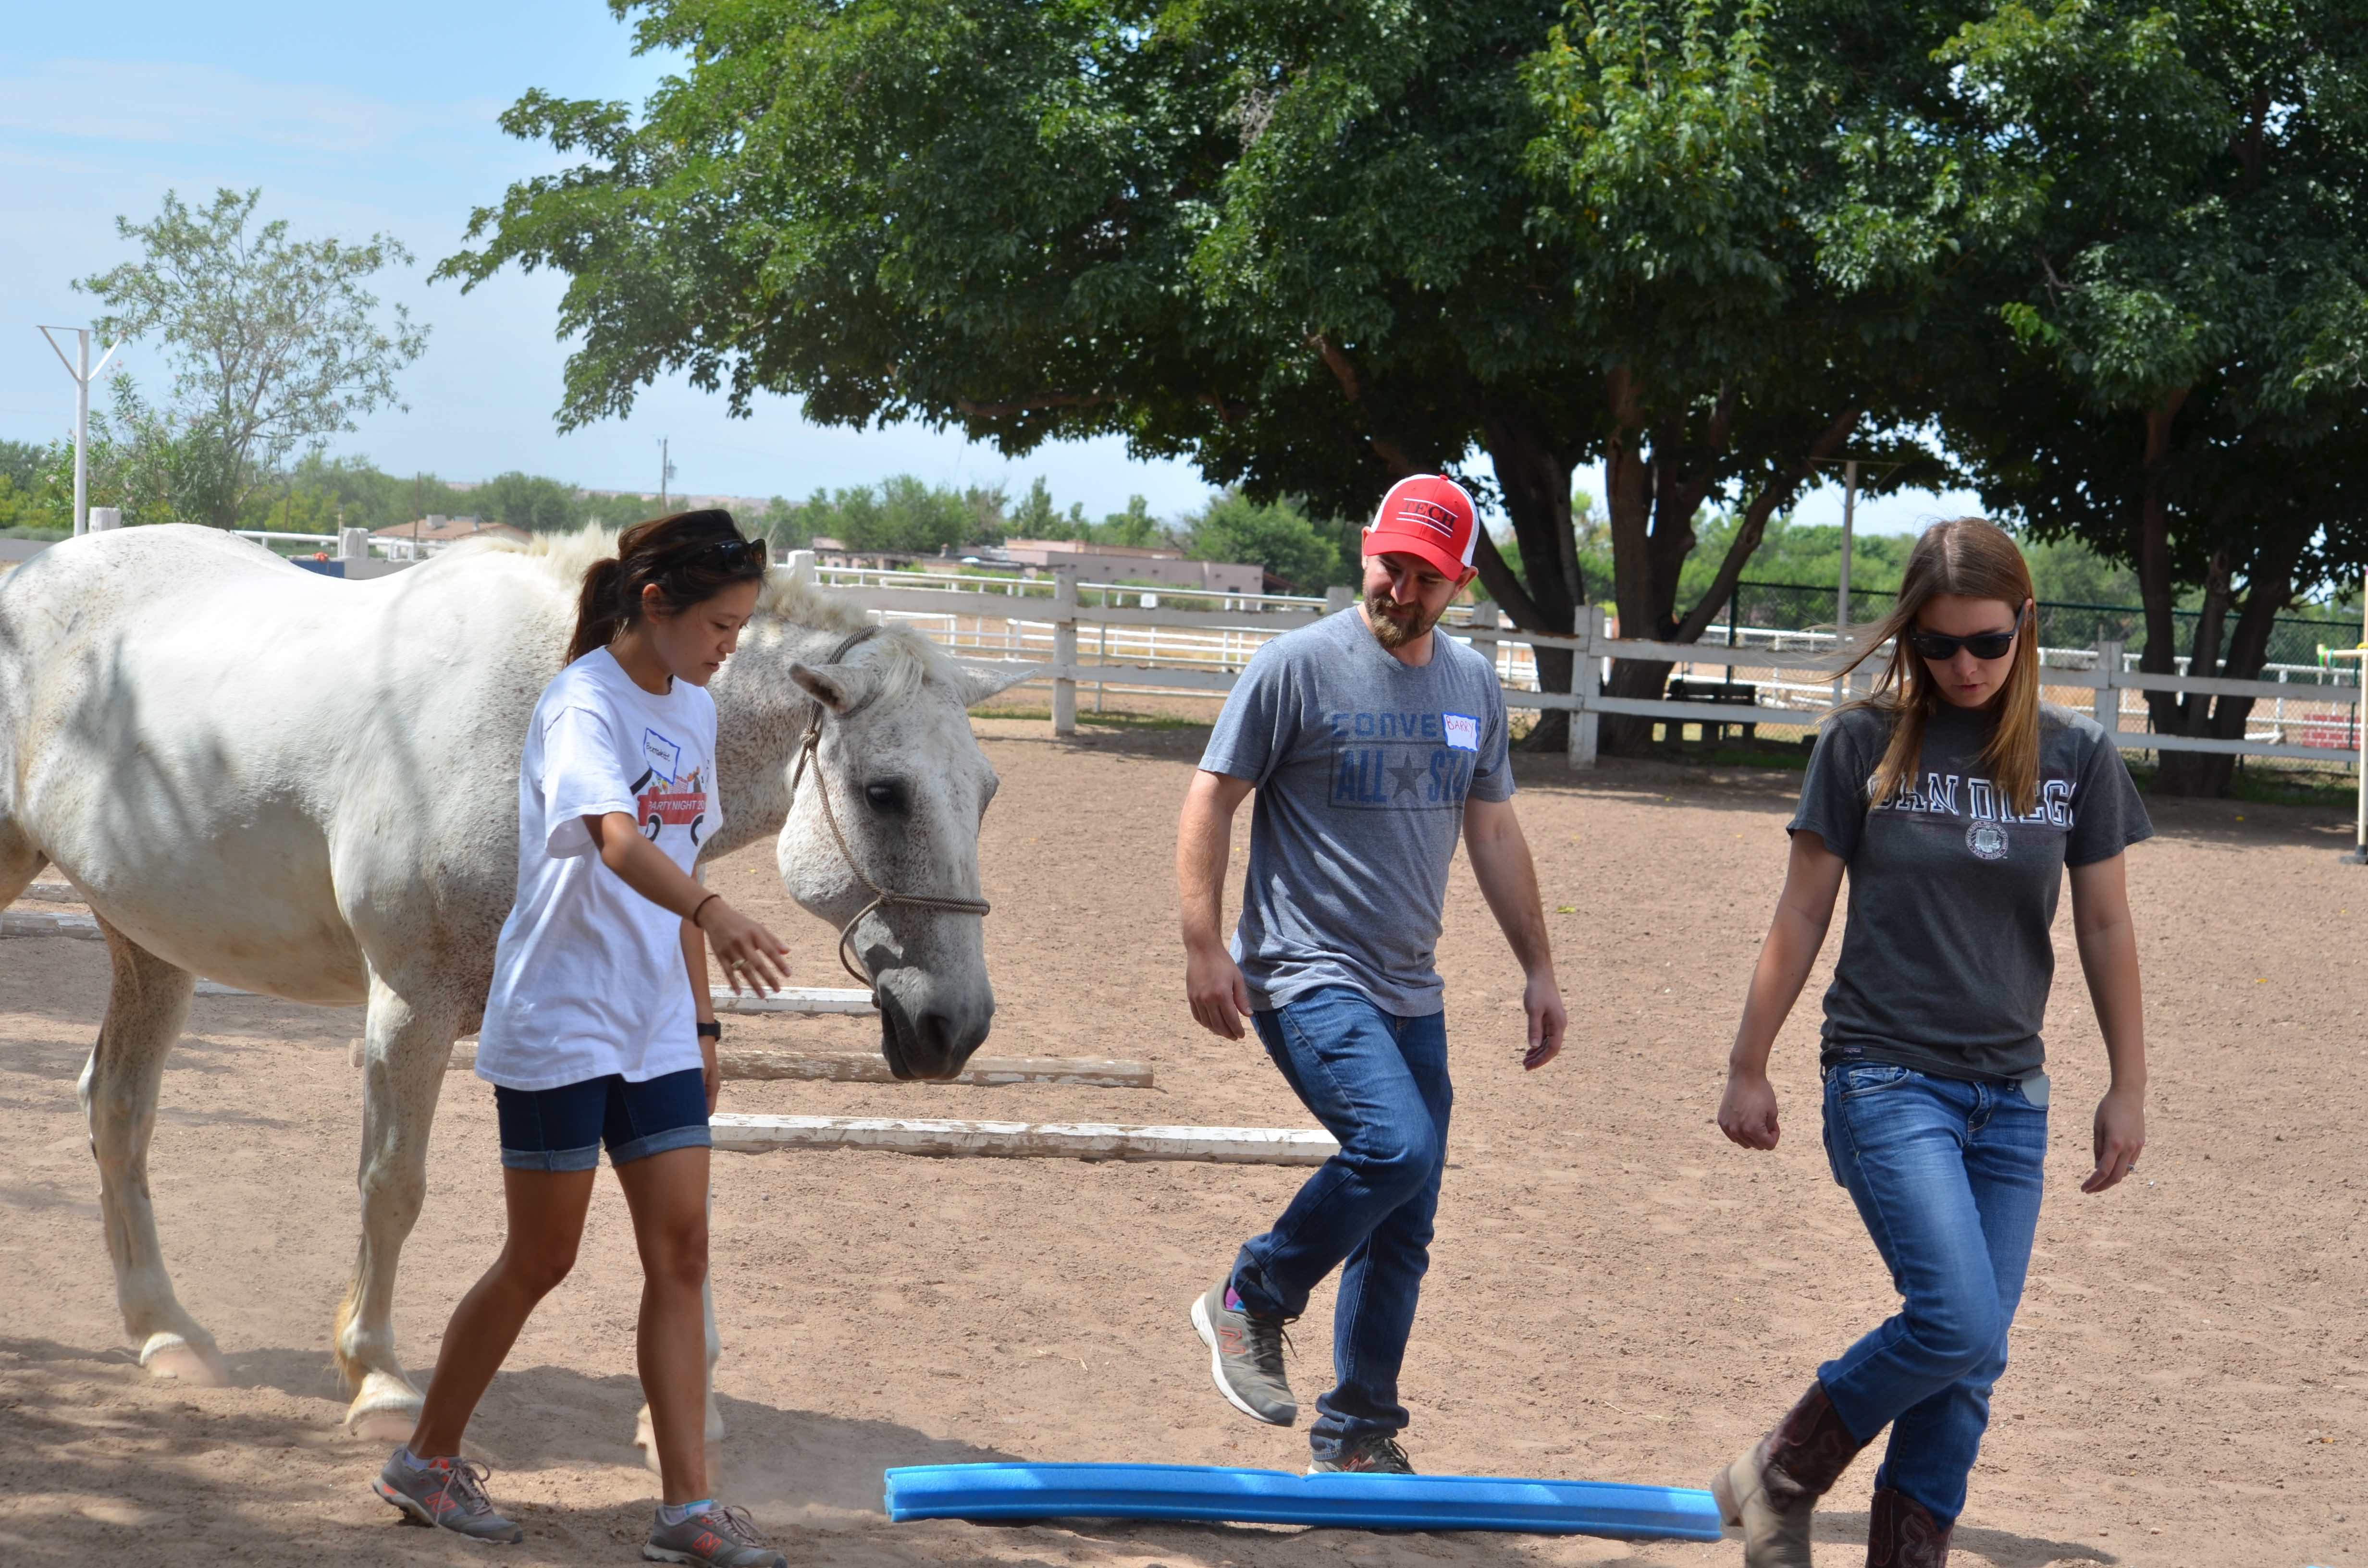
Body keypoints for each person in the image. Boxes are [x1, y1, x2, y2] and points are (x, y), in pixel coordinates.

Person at [1711, 518, 2150, 1567]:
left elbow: (2103, 925)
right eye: (1940, 644)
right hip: (1884, 1078)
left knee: (1971, 1362)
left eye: (1987, 643)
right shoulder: (1861, 745)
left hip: (2012, 1096)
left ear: (2024, 629)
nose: (1964, 665)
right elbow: (1802, 914)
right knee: (1956, 1321)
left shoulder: (2076, 757)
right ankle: (1777, 1474)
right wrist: (1747, 1061)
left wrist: (2127, 1084)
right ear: (1911, 637)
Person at [370, 511, 795, 1568]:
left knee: (683, 1253)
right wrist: (713, 912)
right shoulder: (579, 706)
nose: (728, 645)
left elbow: (677, 851)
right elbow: (615, 842)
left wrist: (698, 1018)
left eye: (741, 627)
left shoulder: (691, 708)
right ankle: (425, 1459)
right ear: (655, 604)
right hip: (561, 1017)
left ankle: (687, 1510)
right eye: (718, 624)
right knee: (543, 1257)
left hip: (652, 1025)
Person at [1176, 474, 1567, 1474]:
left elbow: (1491, 827)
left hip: (1411, 987)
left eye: (1424, 577)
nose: (1399, 588)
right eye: (1389, 564)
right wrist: (1203, 942)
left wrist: (1538, 966)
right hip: (1304, 973)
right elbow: (1212, 799)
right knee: (1394, 1150)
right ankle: (1251, 1296)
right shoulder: (1295, 667)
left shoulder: (1471, 685)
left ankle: (1358, 1431)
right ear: (1364, 547)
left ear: (1460, 583)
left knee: (1407, 1214)